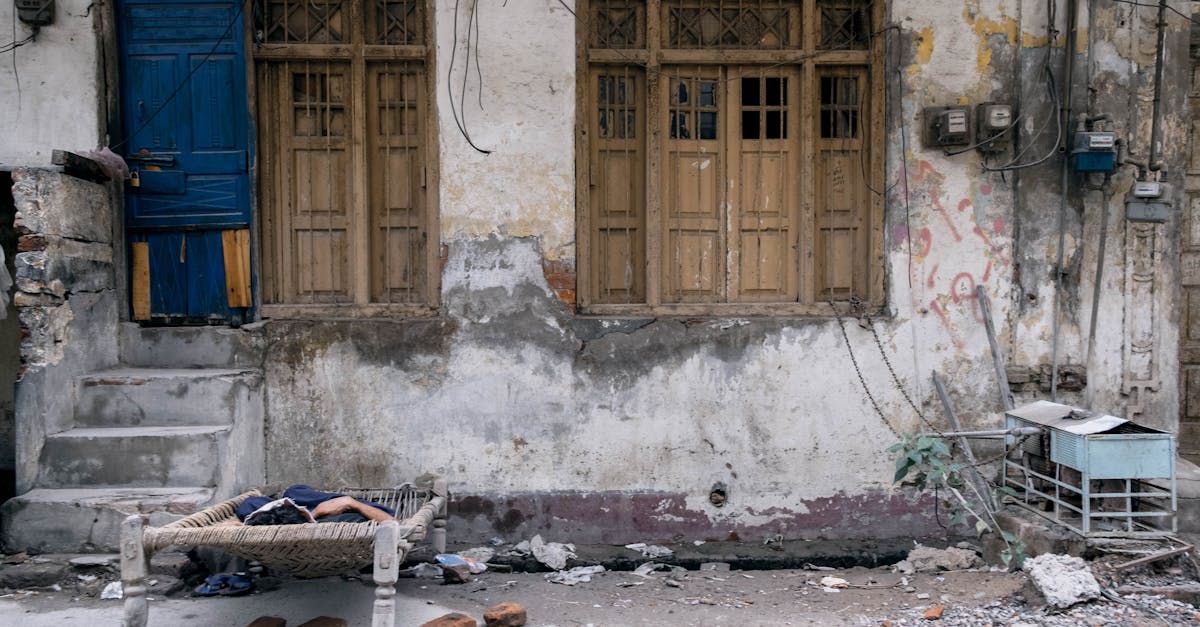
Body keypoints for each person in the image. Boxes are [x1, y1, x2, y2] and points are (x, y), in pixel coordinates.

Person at [232, 485, 394, 525]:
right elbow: (393, 522)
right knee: (294, 491)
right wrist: (350, 503)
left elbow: (394, 524)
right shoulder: (353, 517)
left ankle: (299, 511)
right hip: (311, 517)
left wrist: (351, 503)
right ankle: (301, 512)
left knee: (294, 491)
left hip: (309, 518)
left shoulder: (354, 517)